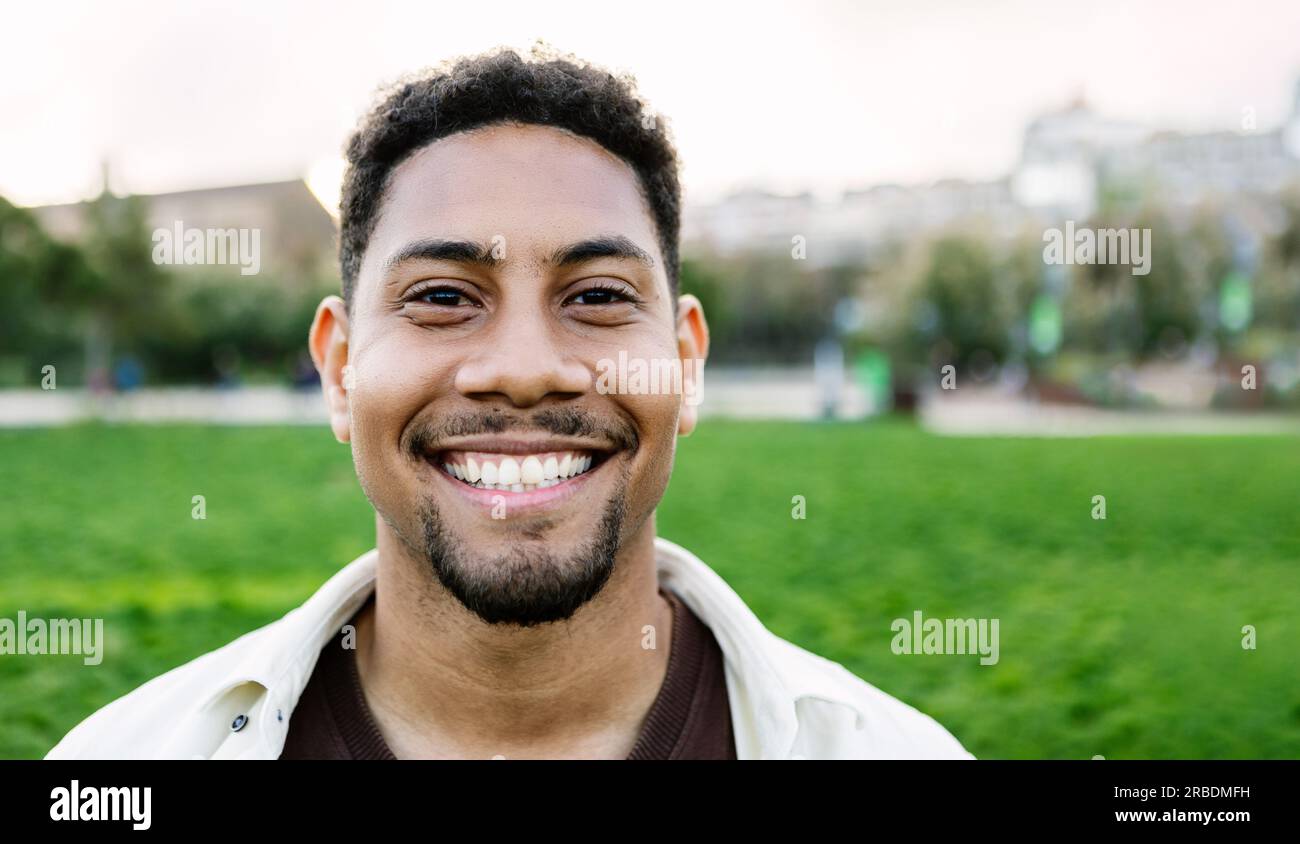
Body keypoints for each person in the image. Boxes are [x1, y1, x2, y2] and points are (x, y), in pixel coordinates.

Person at [47, 45, 972, 760]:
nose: (525, 369)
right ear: (338, 370)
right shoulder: (121, 763)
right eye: (443, 297)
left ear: (686, 366)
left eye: (598, 296)